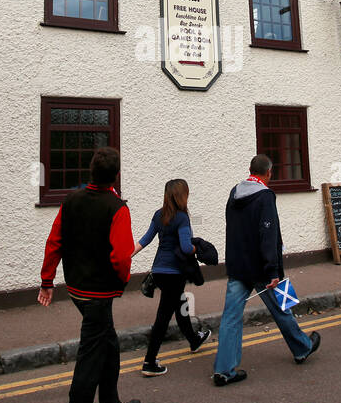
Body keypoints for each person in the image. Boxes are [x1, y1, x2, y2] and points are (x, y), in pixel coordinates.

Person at [38, 147, 140, 403]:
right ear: (116, 176)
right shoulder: (117, 208)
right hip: (99, 294)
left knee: (110, 346)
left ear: (91, 172)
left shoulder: (70, 201)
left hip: (77, 290)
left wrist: (47, 281)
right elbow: (122, 258)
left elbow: (55, 242)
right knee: (89, 364)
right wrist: (120, 283)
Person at [212, 154, 320, 386]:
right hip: (261, 267)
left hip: (238, 265)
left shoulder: (234, 193)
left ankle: (223, 370)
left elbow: (231, 227)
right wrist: (273, 270)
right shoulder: (265, 196)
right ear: (269, 173)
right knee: (282, 308)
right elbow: (268, 235)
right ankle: (302, 347)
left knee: (230, 317)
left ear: (250, 169)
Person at [133, 179, 212, 375]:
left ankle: (194, 340)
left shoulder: (158, 215)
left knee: (180, 304)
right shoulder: (182, 218)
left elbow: (145, 239)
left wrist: (127, 255)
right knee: (163, 316)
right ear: (182, 196)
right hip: (174, 273)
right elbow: (186, 247)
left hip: (159, 270)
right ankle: (149, 362)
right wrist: (199, 247)